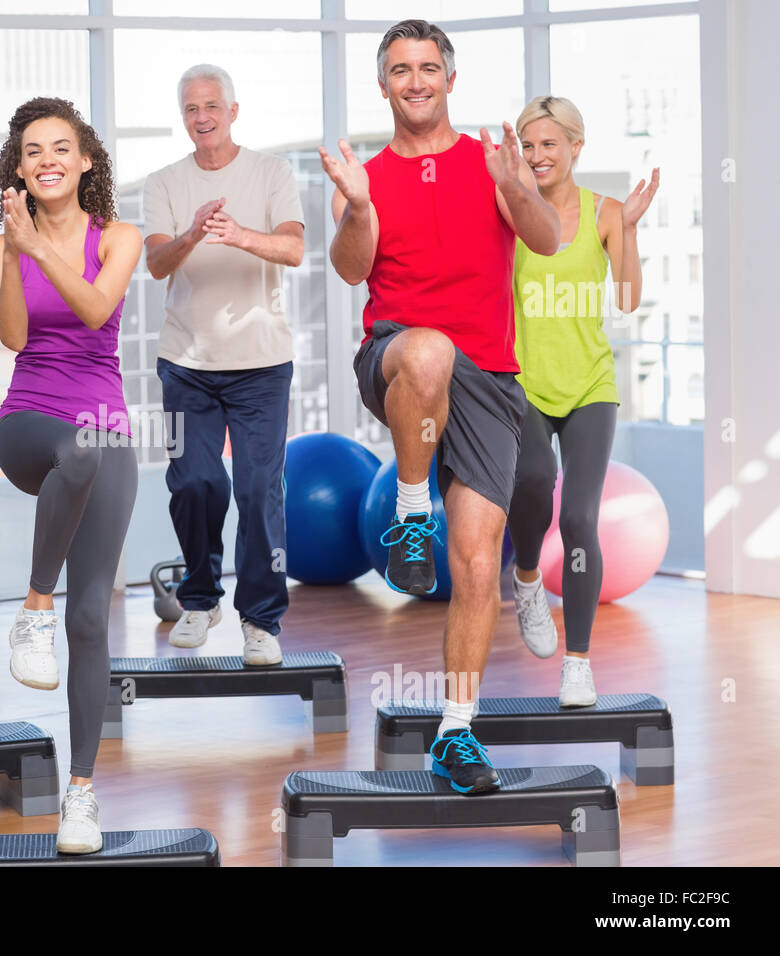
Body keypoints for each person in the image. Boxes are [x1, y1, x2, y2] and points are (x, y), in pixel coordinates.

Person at [321, 19, 561, 793]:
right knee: (429, 350)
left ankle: (456, 735)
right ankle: (411, 508)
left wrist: (518, 185)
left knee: (478, 559)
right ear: (383, 83)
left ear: (449, 80)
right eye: (400, 69)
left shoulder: (490, 162)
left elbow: (549, 239)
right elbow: (353, 270)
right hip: (397, 353)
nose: (416, 81)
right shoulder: (368, 176)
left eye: (429, 68)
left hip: (489, 378)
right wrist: (358, 209)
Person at [0, 97, 142, 853]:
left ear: (84, 162)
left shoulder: (121, 238)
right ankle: (33, 604)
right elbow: (15, 336)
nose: (47, 159)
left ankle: (81, 794)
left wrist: (44, 252)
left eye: (61, 148)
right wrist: (19, 251)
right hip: (28, 426)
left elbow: (95, 305)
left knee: (92, 620)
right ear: (19, 167)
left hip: (105, 428)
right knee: (74, 449)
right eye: (33, 150)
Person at [143, 64, 305, 665]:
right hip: (186, 362)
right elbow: (158, 263)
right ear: (183, 116)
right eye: (191, 108)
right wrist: (191, 235)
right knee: (194, 481)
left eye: (212, 106)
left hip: (262, 364)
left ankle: (261, 620)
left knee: (259, 487)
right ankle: (201, 598)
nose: (202, 117)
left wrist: (238, 234)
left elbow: (292, 246)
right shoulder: (162, 182)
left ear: (233, 111)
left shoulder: (271, 172)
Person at [506, 95, 658, 706]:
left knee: (580, 520)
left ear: (575, 146)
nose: (539, 156)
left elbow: (625, 298)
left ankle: (578, 662)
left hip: (591, 384)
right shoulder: (512, 211)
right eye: (529, 145)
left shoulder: (605, 212)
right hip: (523, 379)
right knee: (534, 480)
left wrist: (629, 229)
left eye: (550, 144)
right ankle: (523, 579)